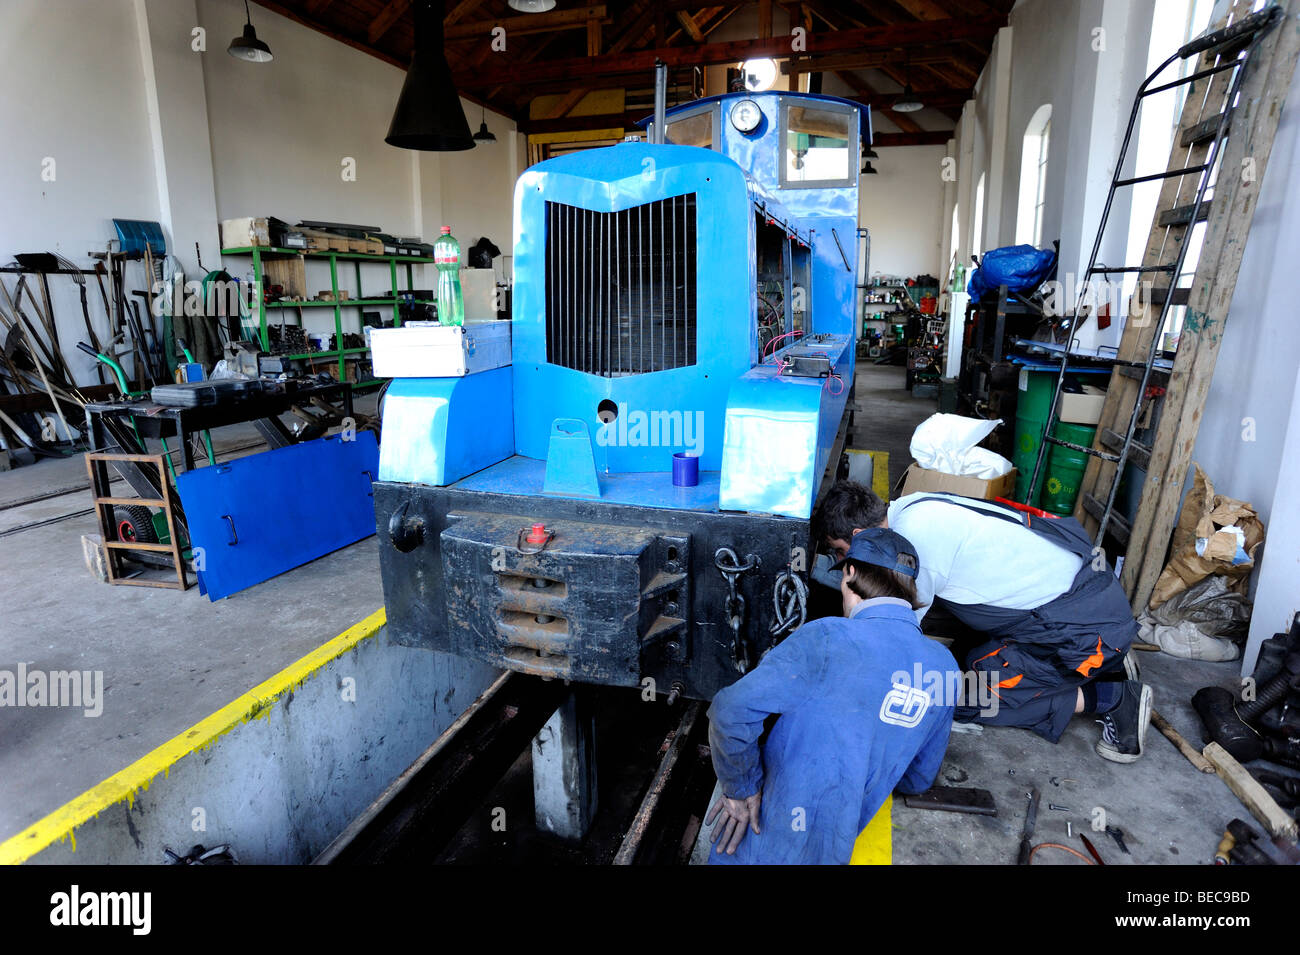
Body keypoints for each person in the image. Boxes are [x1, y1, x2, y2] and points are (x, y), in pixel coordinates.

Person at [813, 481, 1150, 763]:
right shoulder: (911, 508)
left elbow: (891, 642)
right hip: (1085, 600)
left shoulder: (913, 546)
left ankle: (1111, 696)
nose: (845, 562)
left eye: (842, 551)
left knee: (946, 695)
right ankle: (1098, 662)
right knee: (961, 661)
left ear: (859, 533)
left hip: (1078, 628)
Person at [706, 528, 957, 865]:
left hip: (763, 837)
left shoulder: (827, 636)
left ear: (850, 572)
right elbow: (918, 778)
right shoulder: (945, 667)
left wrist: (742, 789)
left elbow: (730, 710)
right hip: (833, 848)